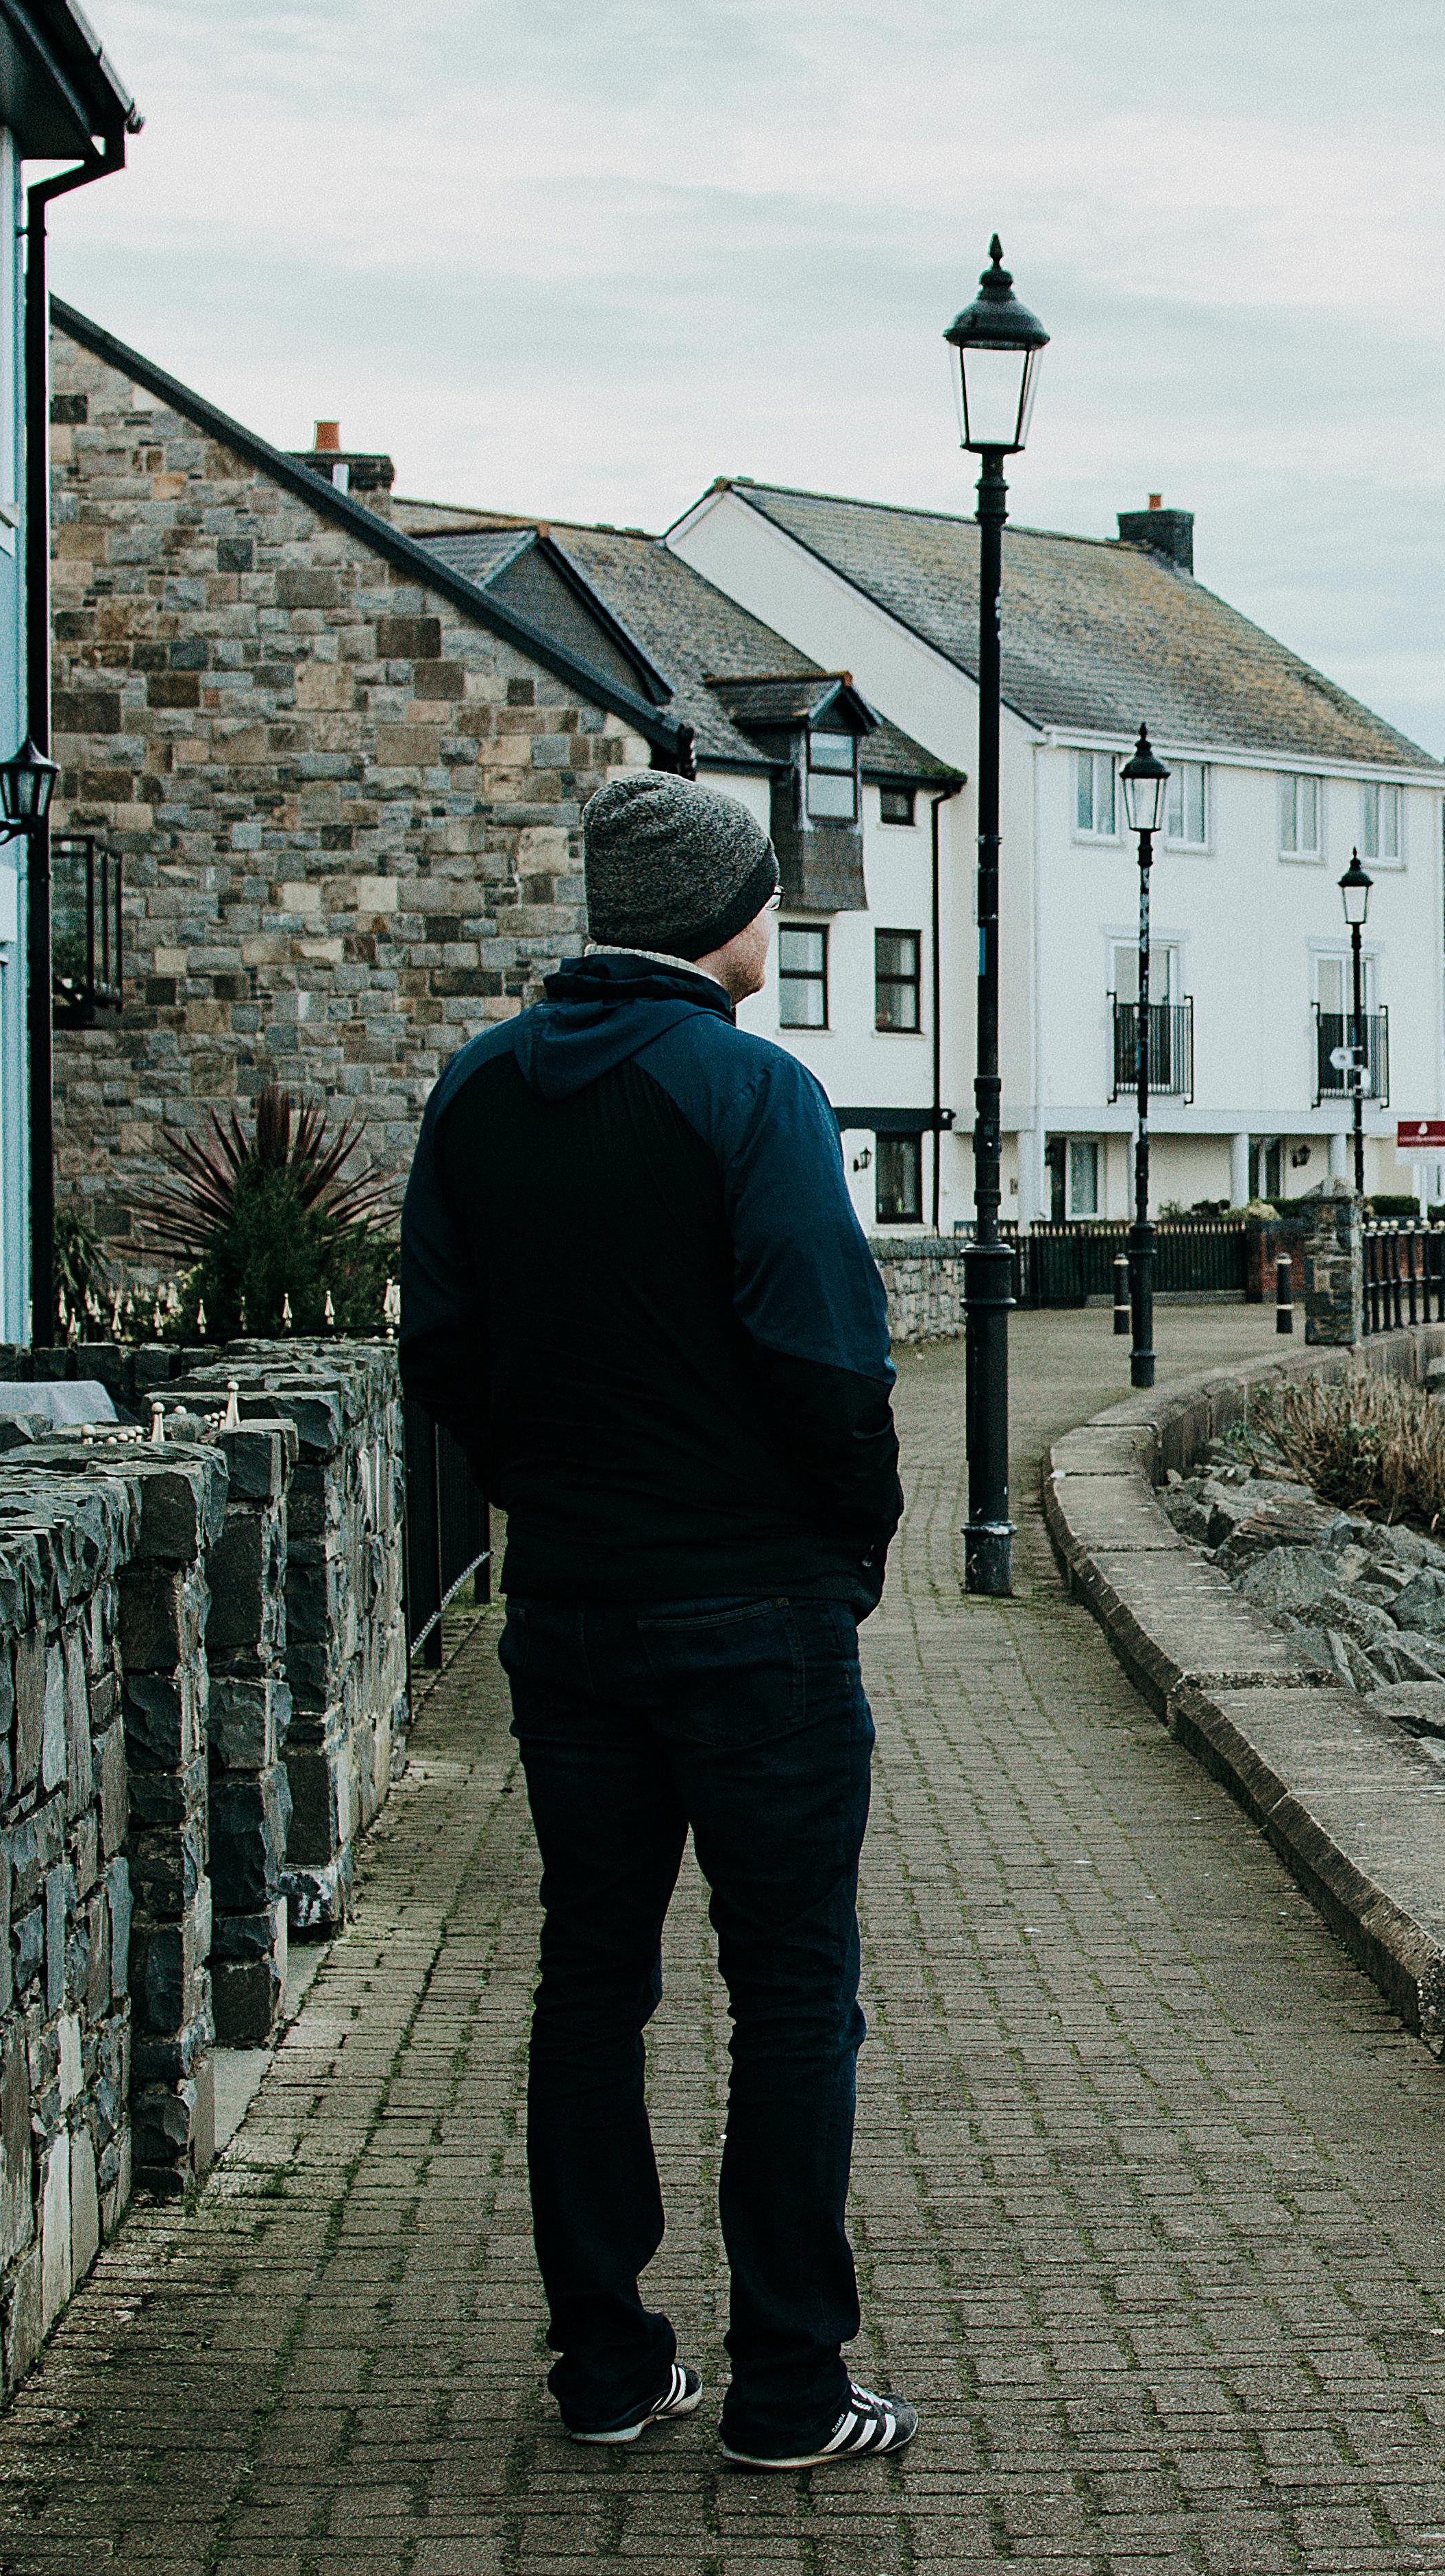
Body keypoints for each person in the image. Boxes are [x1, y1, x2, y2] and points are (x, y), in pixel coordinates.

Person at [399, 768, 913, 2467]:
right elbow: (827, 1354)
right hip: (756, 1611)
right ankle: (788, 2385)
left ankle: (608, 2366)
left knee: (591, 1977)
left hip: (570, 1609)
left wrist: (544, 1490)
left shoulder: (478, 1089)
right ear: (720, 915)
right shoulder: (753, 1090)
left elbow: (439, 1350)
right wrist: (849, 1544)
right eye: (765, 894)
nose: (774, 918)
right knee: (793, 1991)